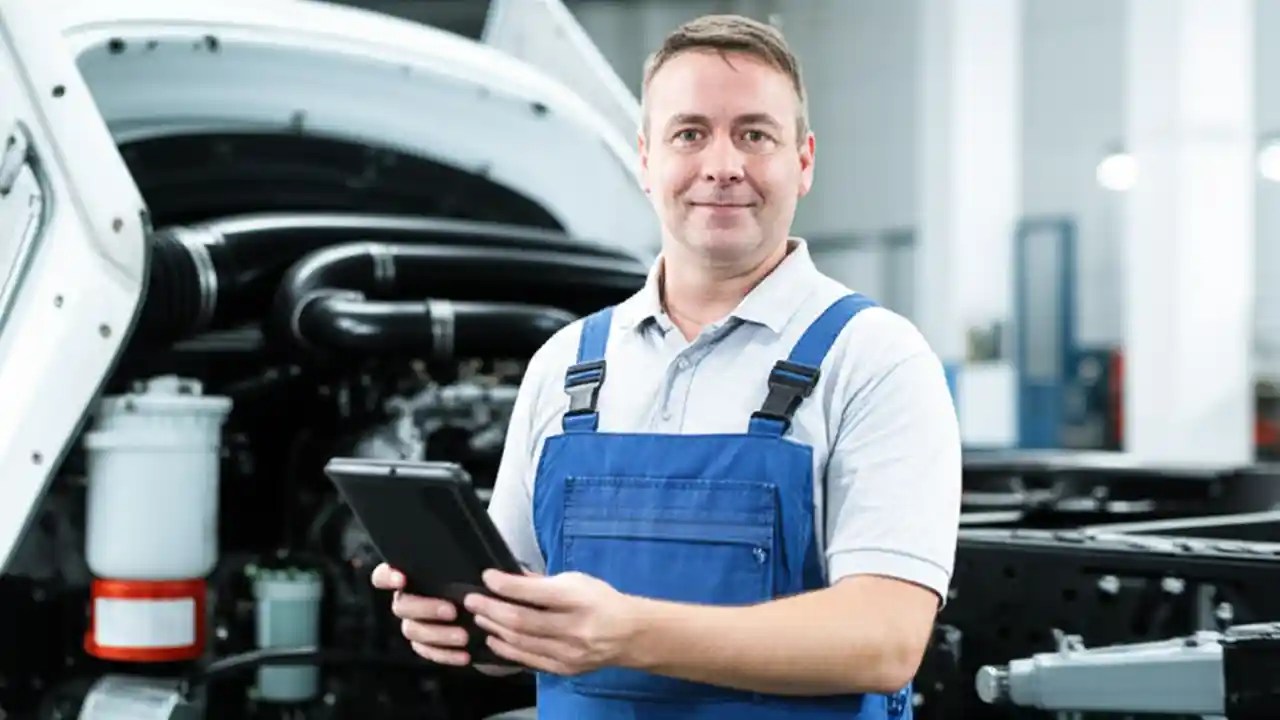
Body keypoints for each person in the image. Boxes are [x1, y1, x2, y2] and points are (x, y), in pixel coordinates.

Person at [372, 13, 961, 719]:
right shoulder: (564, 365)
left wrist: (625, 634)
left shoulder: (875, 359)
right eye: (689, 134)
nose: (721, 164)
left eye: (754, 134)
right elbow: (523, 605)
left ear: (802, 161)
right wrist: (473, 628)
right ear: (646, 160)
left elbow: (883, 639)